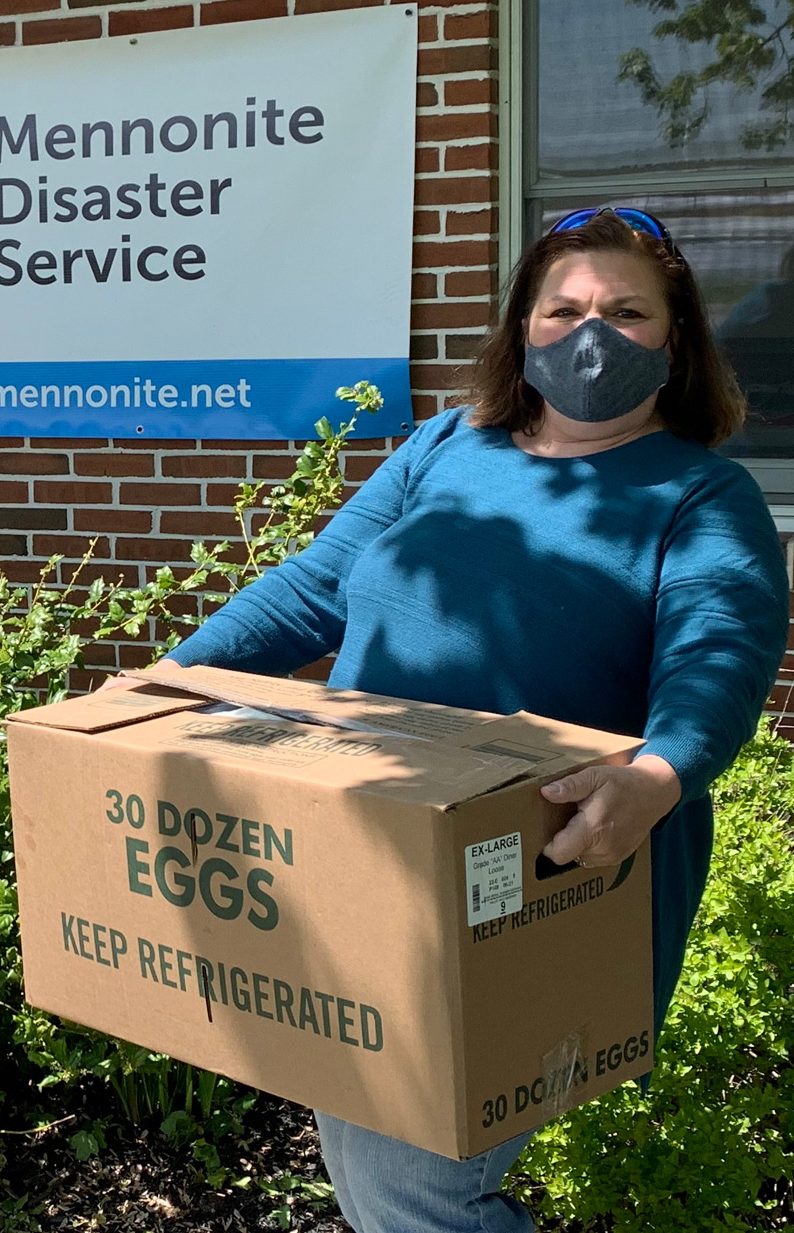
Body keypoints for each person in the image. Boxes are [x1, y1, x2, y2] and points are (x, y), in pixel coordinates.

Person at [132, 207, 787, 1233]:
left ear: (674, 339)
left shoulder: (698, 496)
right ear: (521, 329)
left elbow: (718, 655)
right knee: (365, 1150)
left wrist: (656, 776)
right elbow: (316, 586)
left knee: (414, 1186)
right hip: (367, 849)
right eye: (561, 309)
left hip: (535, 869)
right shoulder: (447, 442)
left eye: (625, 312)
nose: (590, 336)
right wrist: (166, 676)